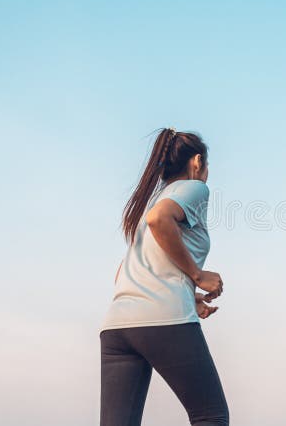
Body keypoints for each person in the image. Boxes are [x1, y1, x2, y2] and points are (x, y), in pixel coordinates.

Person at [98, 128, 229, 426]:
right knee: (211, 415)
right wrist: (197, 275)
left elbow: (124, 271)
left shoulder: (150, 200)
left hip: (117, 325)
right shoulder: (192, 188)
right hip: (163, 318)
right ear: (197, 162)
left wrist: (187, 292)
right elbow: (160, 220)